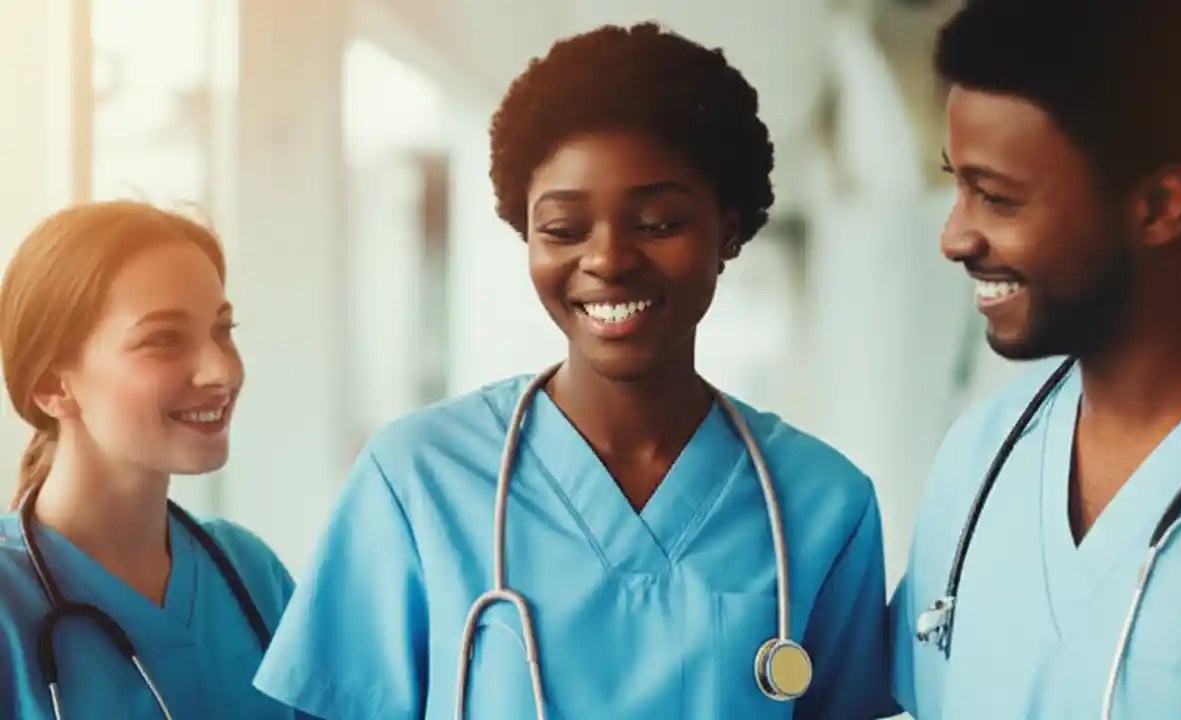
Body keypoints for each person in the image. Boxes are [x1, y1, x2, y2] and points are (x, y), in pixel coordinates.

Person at [254, 22, 897, 720]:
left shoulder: (823, 503)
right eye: (563, 229)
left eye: (656, 222)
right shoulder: (418, 479)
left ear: (730, 229)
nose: (609, 259)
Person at [890, 1, 1181, 717]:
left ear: (1160, 206)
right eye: (956, 184)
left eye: (995, 198)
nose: (954, 237)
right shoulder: (981, 455)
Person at [0, 202, 302, 719]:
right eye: (163, 340)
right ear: (54, 385)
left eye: (222, 330)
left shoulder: (249, 571)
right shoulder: (10, 600)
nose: (220, 371)